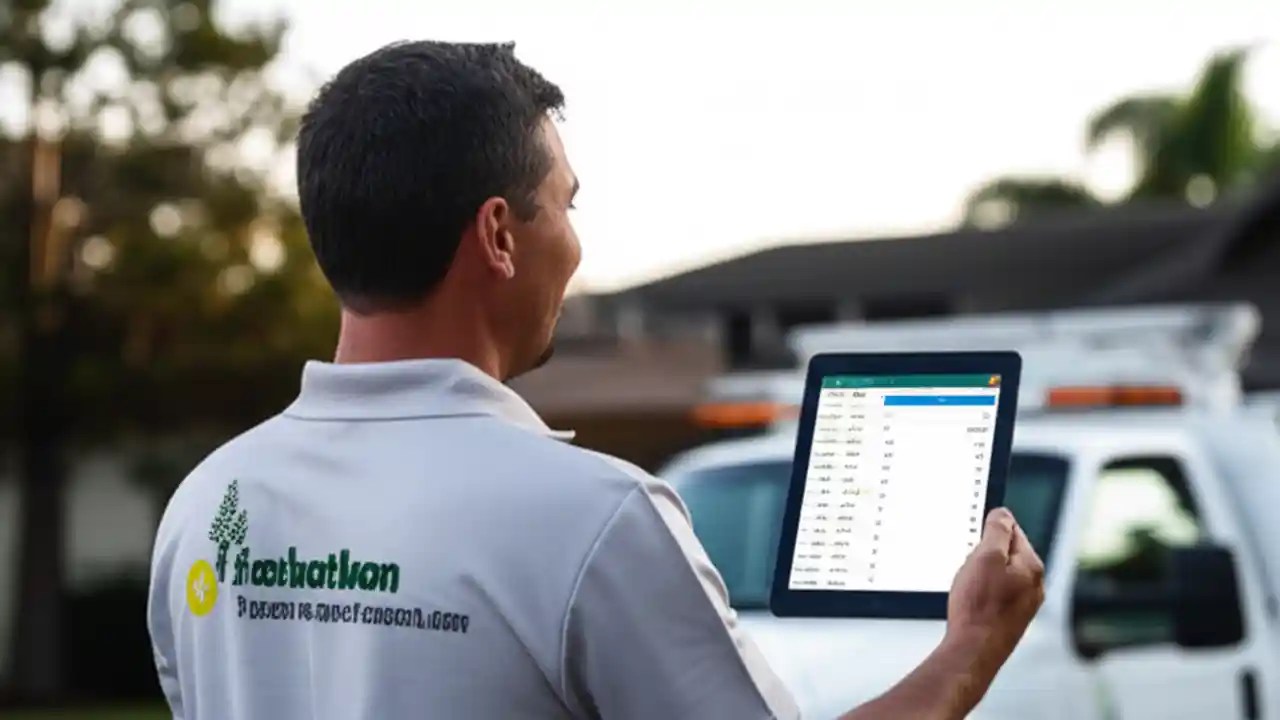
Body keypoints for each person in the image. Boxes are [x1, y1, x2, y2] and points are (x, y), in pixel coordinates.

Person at [146, 40, 1044, 720]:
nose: (576, 249)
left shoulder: (203, 508)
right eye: (567, 205)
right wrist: (973, 645)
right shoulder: (594, 518)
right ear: (499, 235)